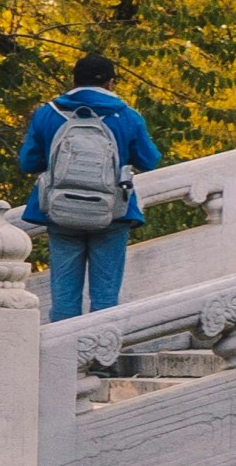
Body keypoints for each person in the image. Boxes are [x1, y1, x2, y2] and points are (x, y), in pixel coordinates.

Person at [13, 52, 166, 319]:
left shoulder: (48, 114)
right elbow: (149, 160)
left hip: (62, 212)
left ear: (73, 79)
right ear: (110, 83)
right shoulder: (127, 116)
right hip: (112, 214)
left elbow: (28, 162)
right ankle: (101, 358)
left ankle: (66, 355)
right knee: (105, 297)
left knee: (63, 298)